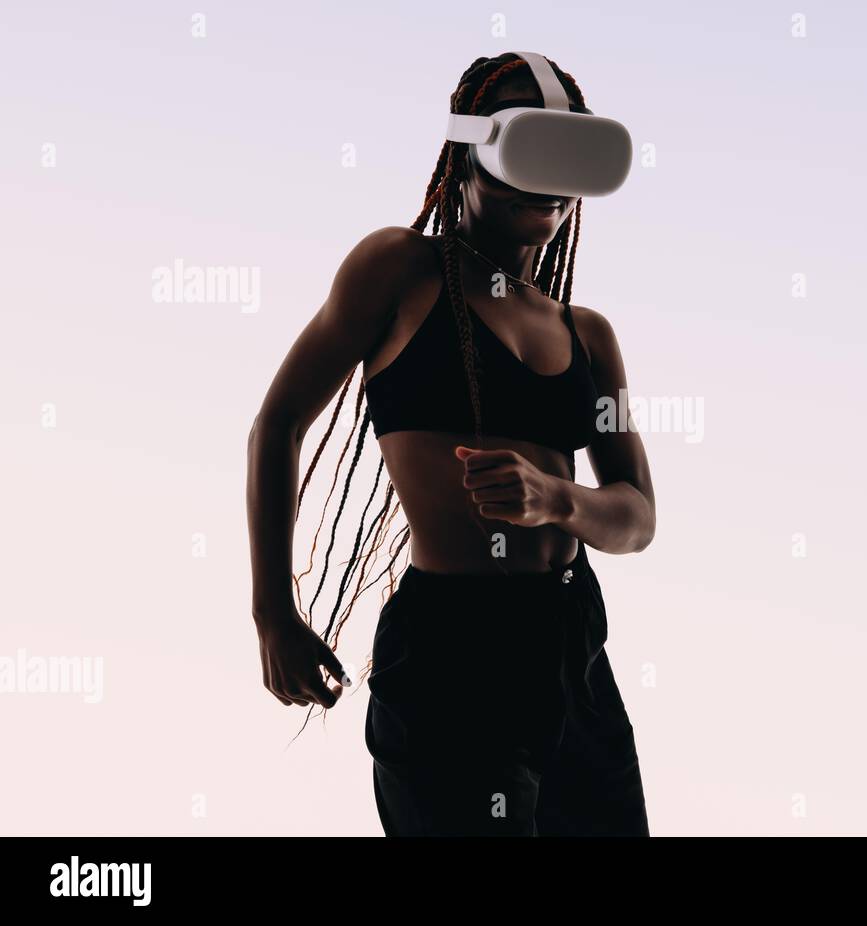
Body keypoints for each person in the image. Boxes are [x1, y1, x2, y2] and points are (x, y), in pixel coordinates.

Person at [245, 53, 654, 835]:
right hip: (449, 655)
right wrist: (272, 612)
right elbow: (278, 424)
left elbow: (636, 517)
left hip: (572, 651)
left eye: (568, 152)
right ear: (468, 152)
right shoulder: (399, 269)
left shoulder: (589, 336)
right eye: (526, 149)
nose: (547, 181)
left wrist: (558, 499)